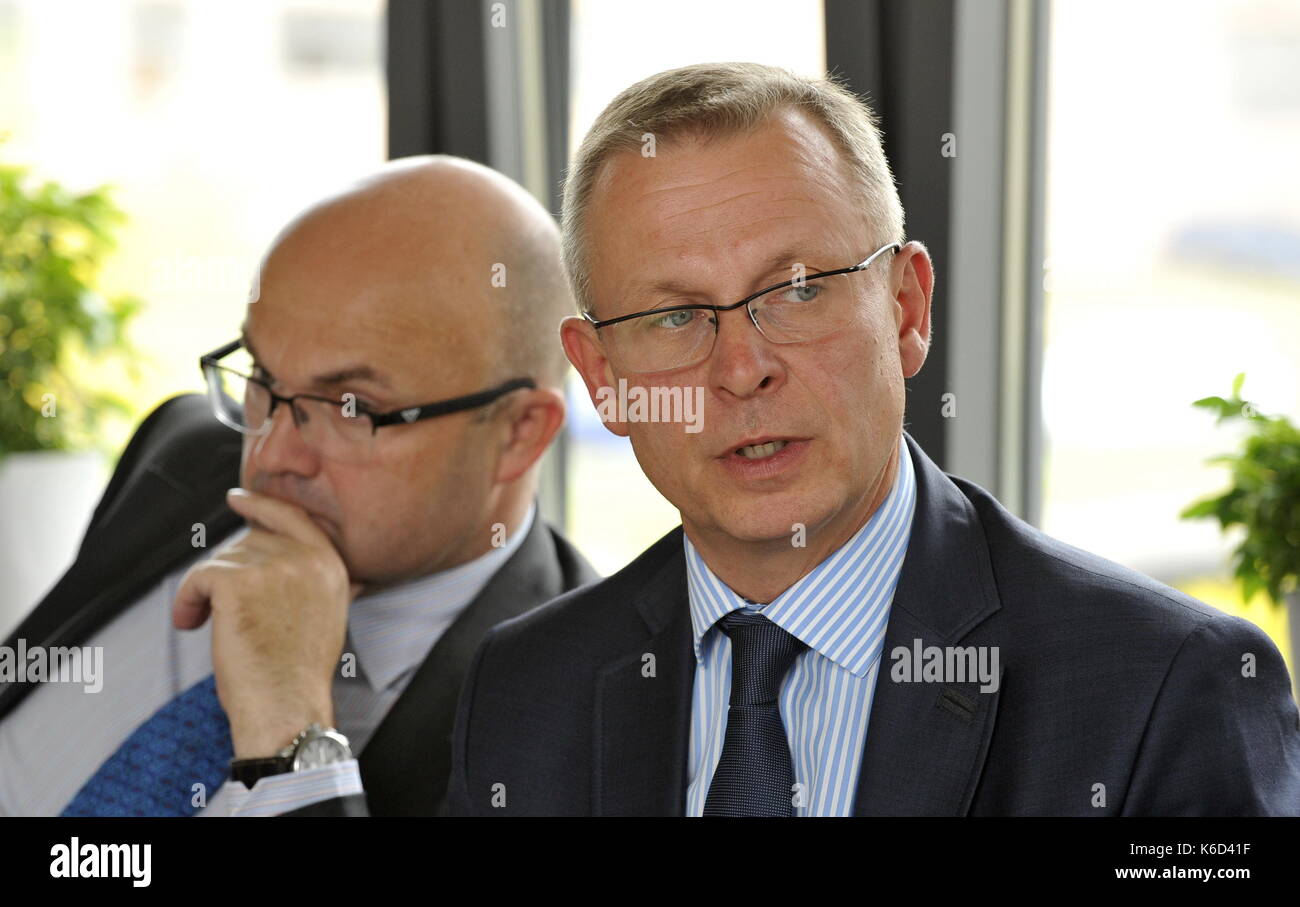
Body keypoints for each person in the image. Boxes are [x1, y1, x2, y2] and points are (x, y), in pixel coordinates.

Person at [445, 63, 1300, 816]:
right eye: (674, 316)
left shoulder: (1159, 687)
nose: (742, 370)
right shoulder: (526, 690)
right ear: (601, 378)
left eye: (799, 291)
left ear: (906, 309)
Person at [0, 155, 596, 816]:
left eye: (350, 406)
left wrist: (290, 735)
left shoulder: (591, 718)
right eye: (261, 375)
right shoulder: (184, 443)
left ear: (519, 432)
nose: (268, 455)